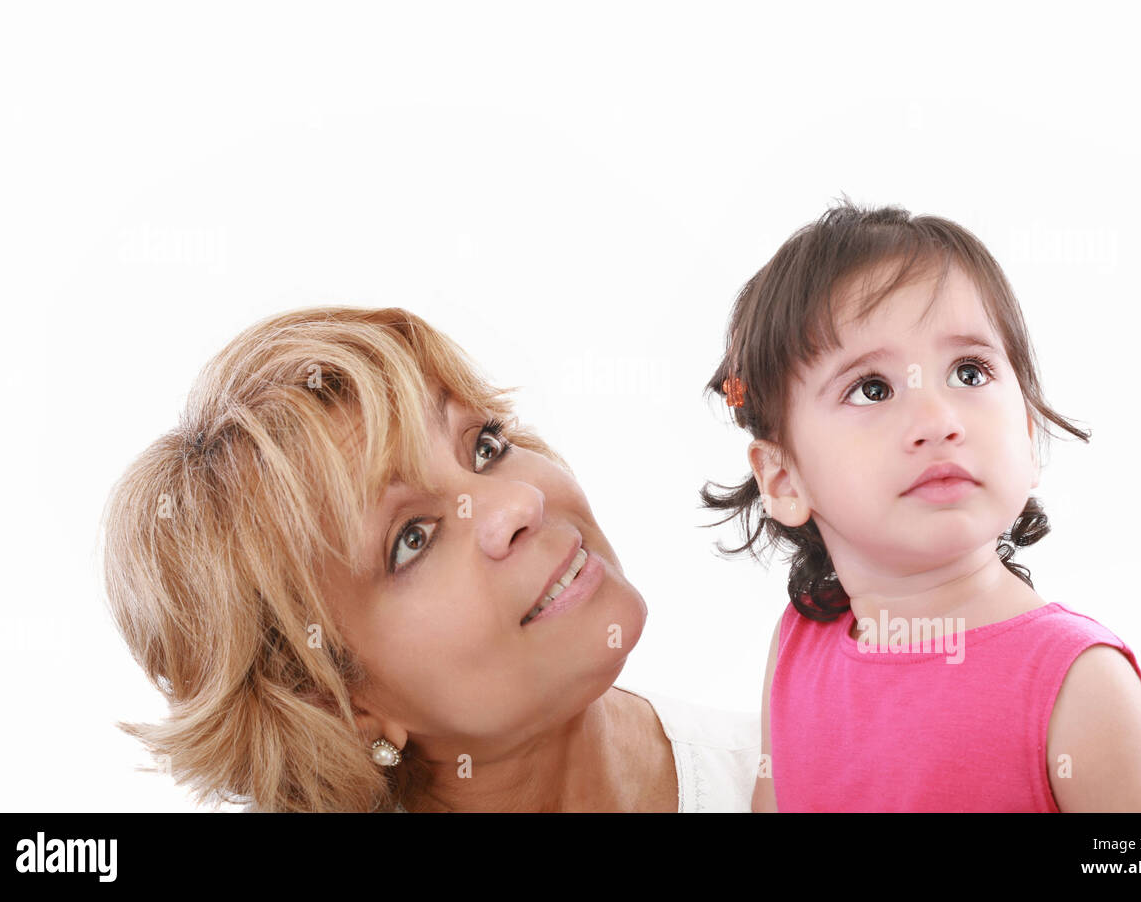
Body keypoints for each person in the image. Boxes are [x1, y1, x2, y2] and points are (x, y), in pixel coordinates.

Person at [101, 306, 758, 812]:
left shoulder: (811, 776)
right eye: (412, 536)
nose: (517, 503)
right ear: (332, 704)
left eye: (485, 446)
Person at [700, 199, 1141, 812]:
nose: (938, 420)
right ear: (784, 479)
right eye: (872, 389)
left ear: (1028, 437)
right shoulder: (798, 647)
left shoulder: (1079, 686)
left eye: (970, 373)